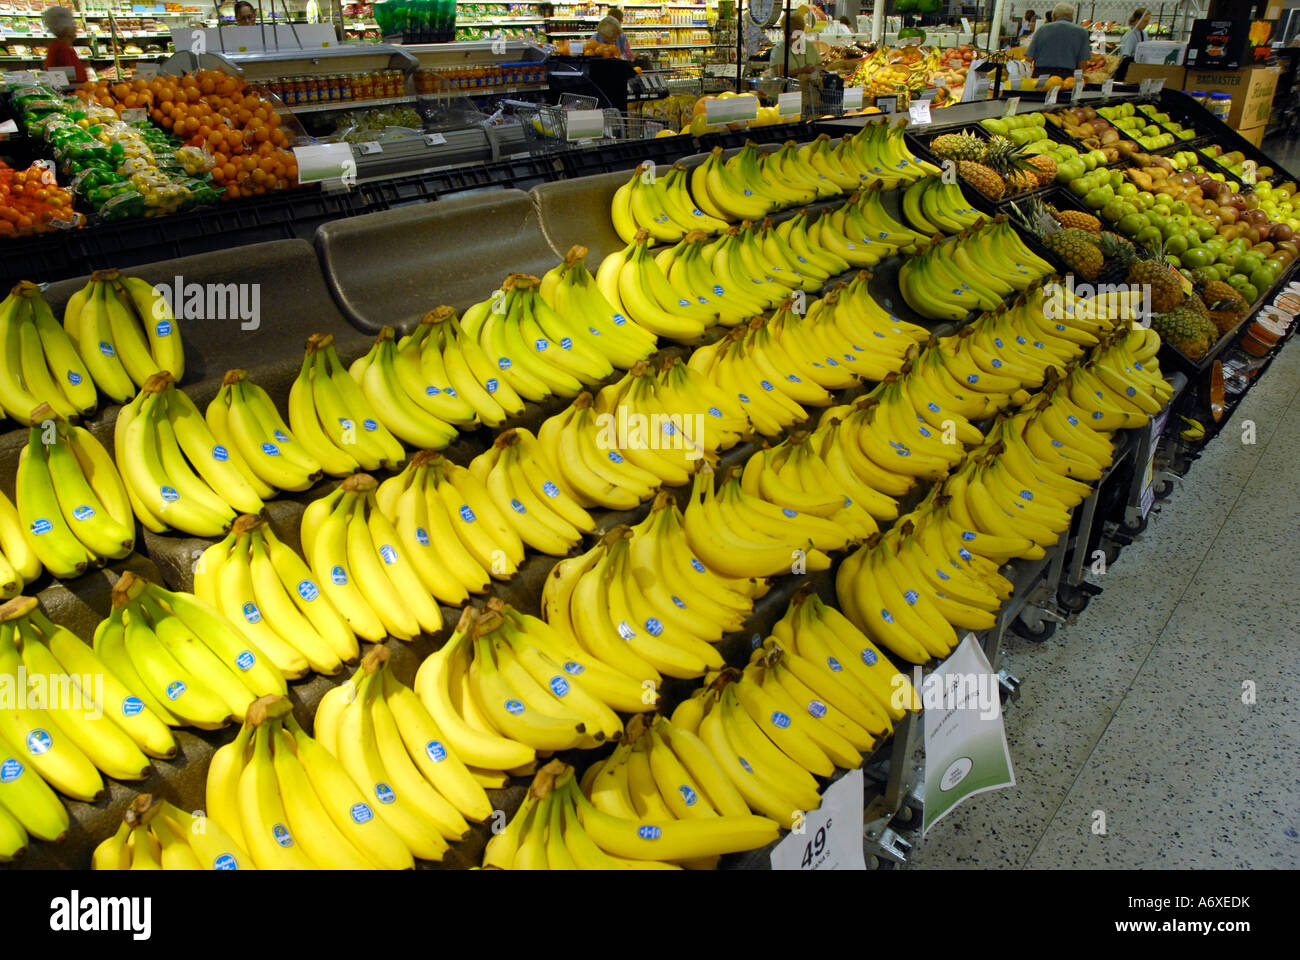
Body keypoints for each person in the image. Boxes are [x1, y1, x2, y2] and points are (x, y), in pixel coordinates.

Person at [1026, 3, 1091, 79]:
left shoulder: (1042, 29)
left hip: (1041, 75)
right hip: (1067, 76)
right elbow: (1083, 62)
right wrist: (1079, 80)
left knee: (1041, 90)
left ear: (1053, 17)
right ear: (1072, 18)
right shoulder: (1082, 32)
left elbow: (1029, 58)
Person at [40, 6, 87, 83]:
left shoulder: (58, 46)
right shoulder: (61, 49)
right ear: (65, 29)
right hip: (73, 93)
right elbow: (70, 81)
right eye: (73, 25)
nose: (76, 28)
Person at [768, 11, 821, 79]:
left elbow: (820, 66)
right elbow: (779, 73)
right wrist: (802, 70)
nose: (792, 37)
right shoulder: (779, 49)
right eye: (789, 33)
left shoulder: (809, 46)